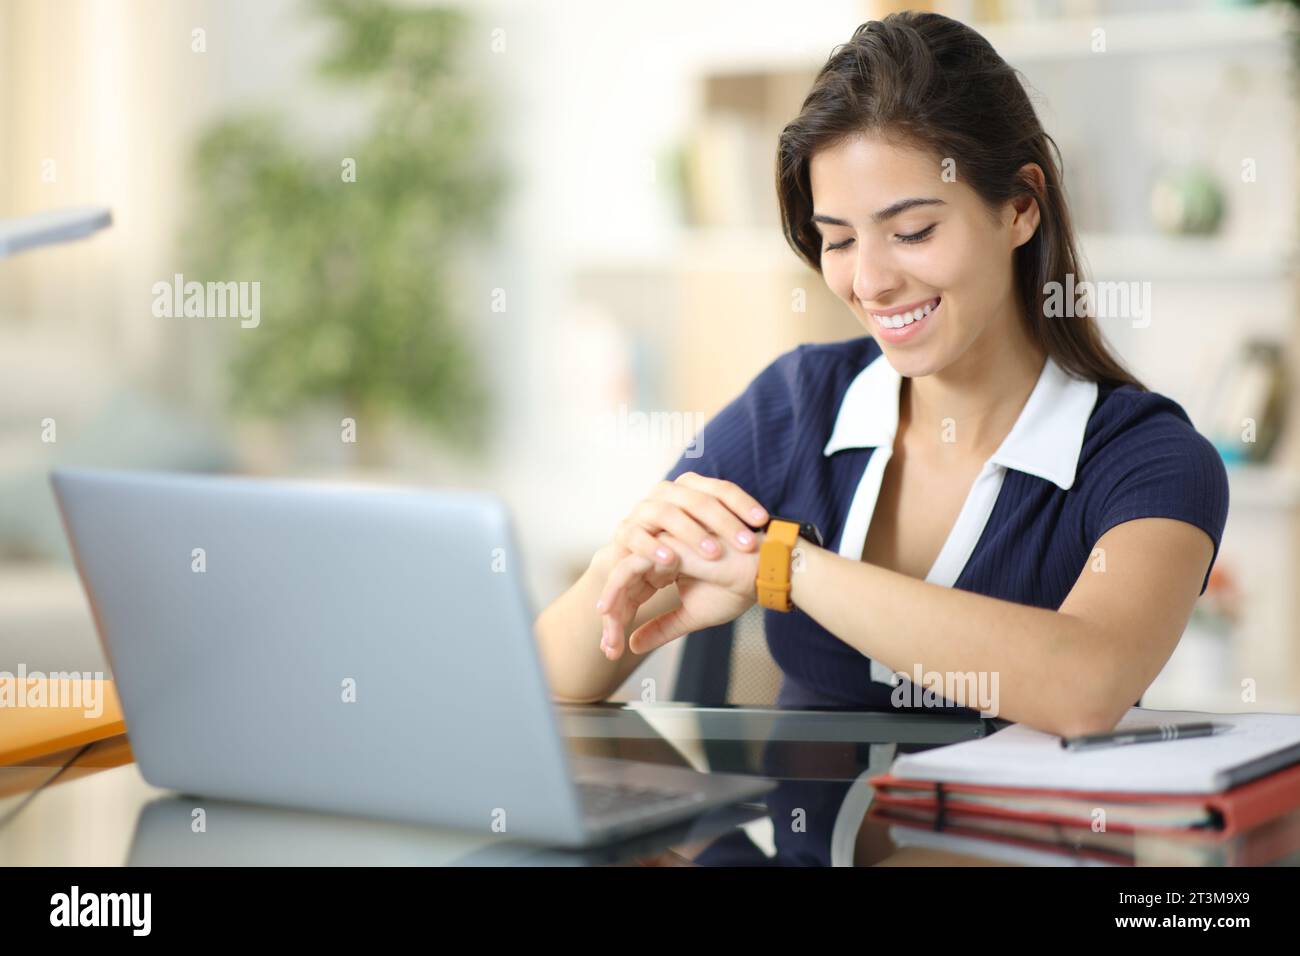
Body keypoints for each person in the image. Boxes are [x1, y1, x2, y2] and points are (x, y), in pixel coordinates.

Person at [533, 11, 1229, 738]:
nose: (869, 282)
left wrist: (787, 568)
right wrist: (622, 567)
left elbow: (1086, 685)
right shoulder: (797, 406)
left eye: (913, 233)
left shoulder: (1149, 462)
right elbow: (552, 678)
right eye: (837, 240)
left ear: (1021, 207)